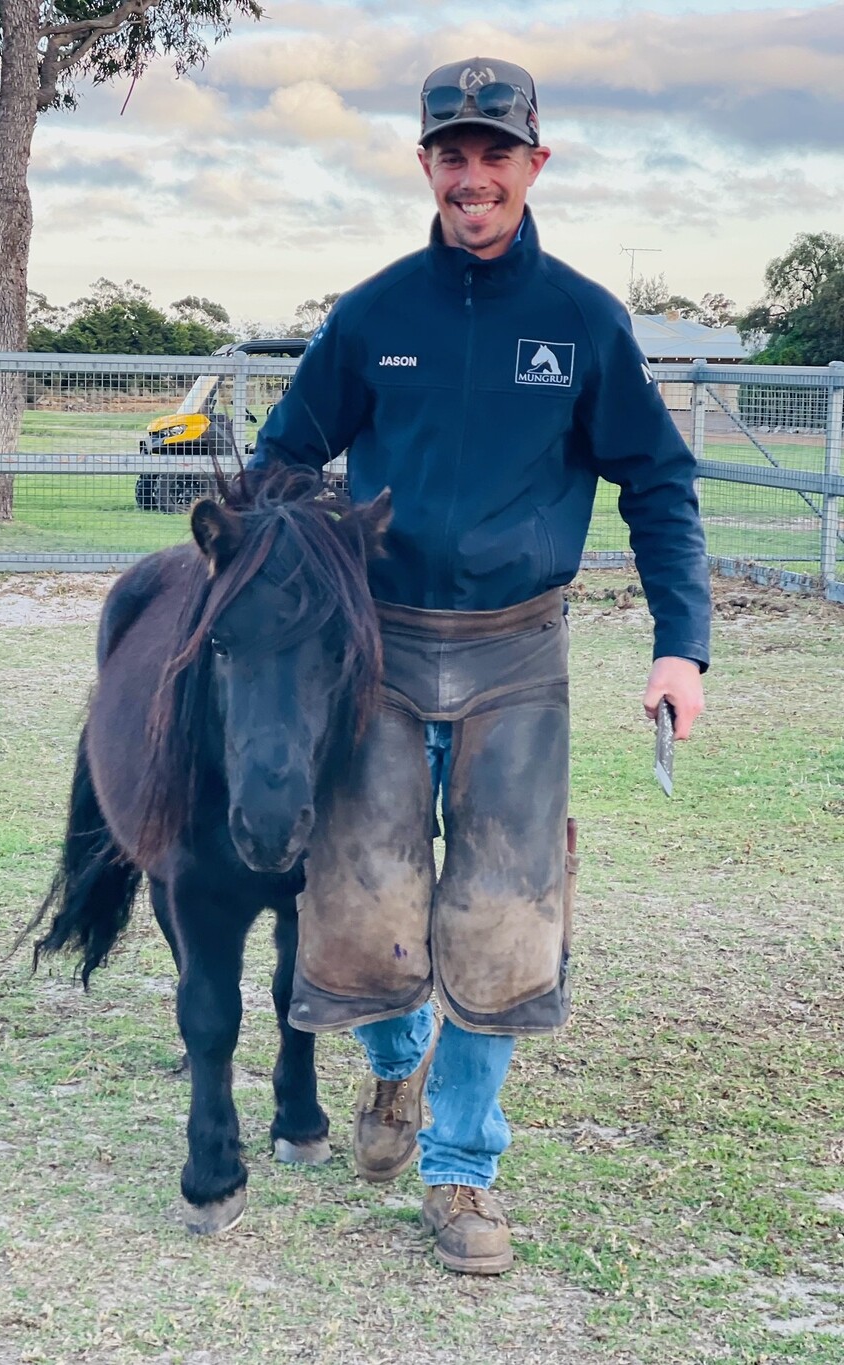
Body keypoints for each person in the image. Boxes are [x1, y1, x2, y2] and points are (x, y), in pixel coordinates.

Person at [253, 56, 709, 1275]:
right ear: (424, 167)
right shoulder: (371, 316)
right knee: (358, 917)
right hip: (381, 658)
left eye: (494, 154)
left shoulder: (584, 321)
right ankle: (395, 1074)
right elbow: (282, 462)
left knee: (503, 927)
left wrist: (680, 644)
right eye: (450, 154)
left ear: (533, 165)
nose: (472, 177)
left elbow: (657, 483)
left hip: (519, 660)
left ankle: (462, 1175)